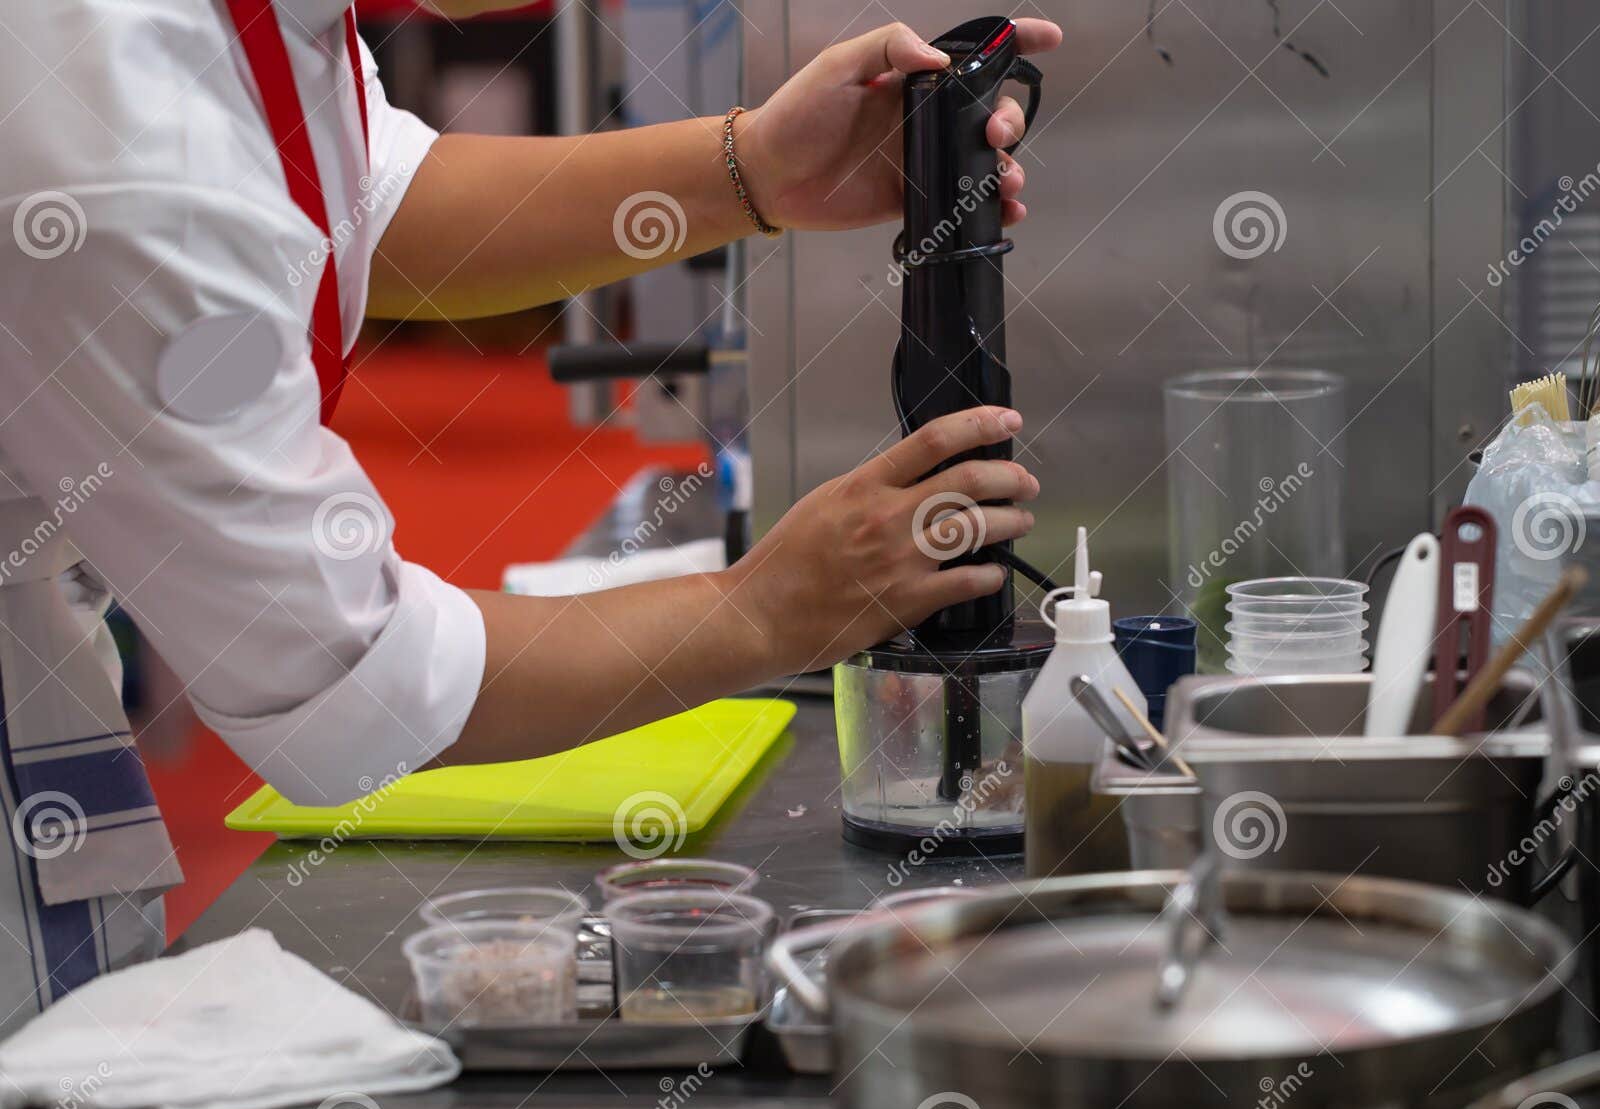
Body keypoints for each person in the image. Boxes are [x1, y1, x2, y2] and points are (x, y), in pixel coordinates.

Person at [0, 2, 1060, 1028]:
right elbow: (349, 678)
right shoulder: (122, 133)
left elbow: (362, 198)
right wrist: (777, 607)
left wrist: (750, 168)